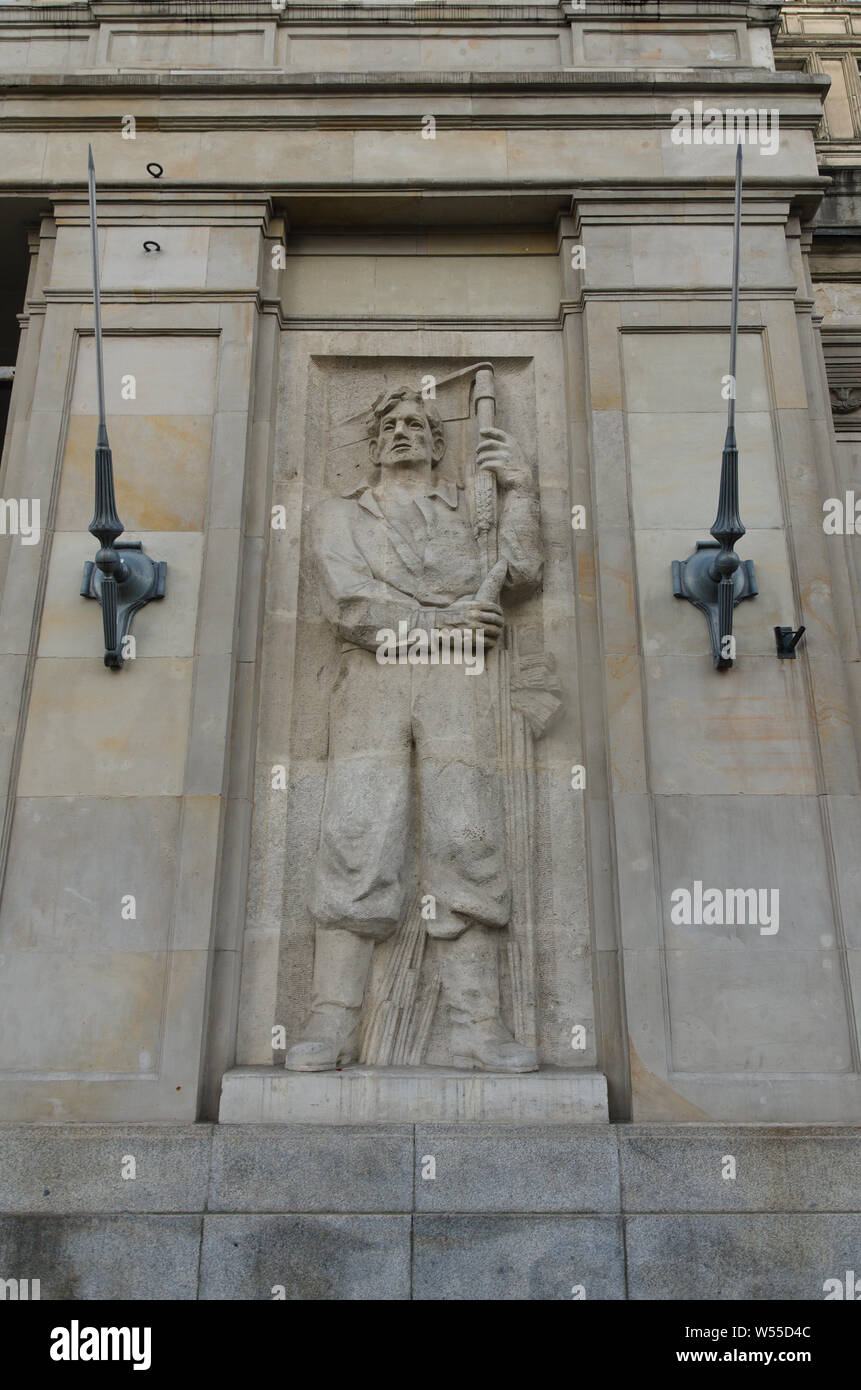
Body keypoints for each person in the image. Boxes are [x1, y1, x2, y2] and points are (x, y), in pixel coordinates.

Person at [285, 385, 543, 1072]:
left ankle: (476, 1025)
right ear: (374, 443)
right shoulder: (339, 514)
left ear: (438, 440)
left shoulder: (474, 510)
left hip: (458, 680)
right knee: (356, 833)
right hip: (375, 676)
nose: (402, 433)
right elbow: (349, 603)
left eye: (417, 424)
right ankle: (333, 1020)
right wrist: (442, 623)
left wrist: (518, 491)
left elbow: (521, 571)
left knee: (468, 836)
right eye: (390, 425)